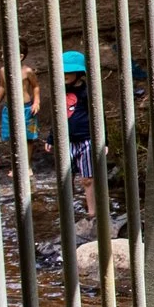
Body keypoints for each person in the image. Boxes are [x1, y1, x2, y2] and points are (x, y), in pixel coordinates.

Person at [62, 50, 99, 224]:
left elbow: (98, 116)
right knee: (66, 177)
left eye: (68, 72)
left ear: (78, 73)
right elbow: (58, 116)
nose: (64, 75)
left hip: (86, 139)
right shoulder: (60, 92)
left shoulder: (86, 93)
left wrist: (103, 140)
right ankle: (66, 212)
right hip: (67, 141)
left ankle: (92, 213)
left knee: (87, 179)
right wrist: (51, 138)